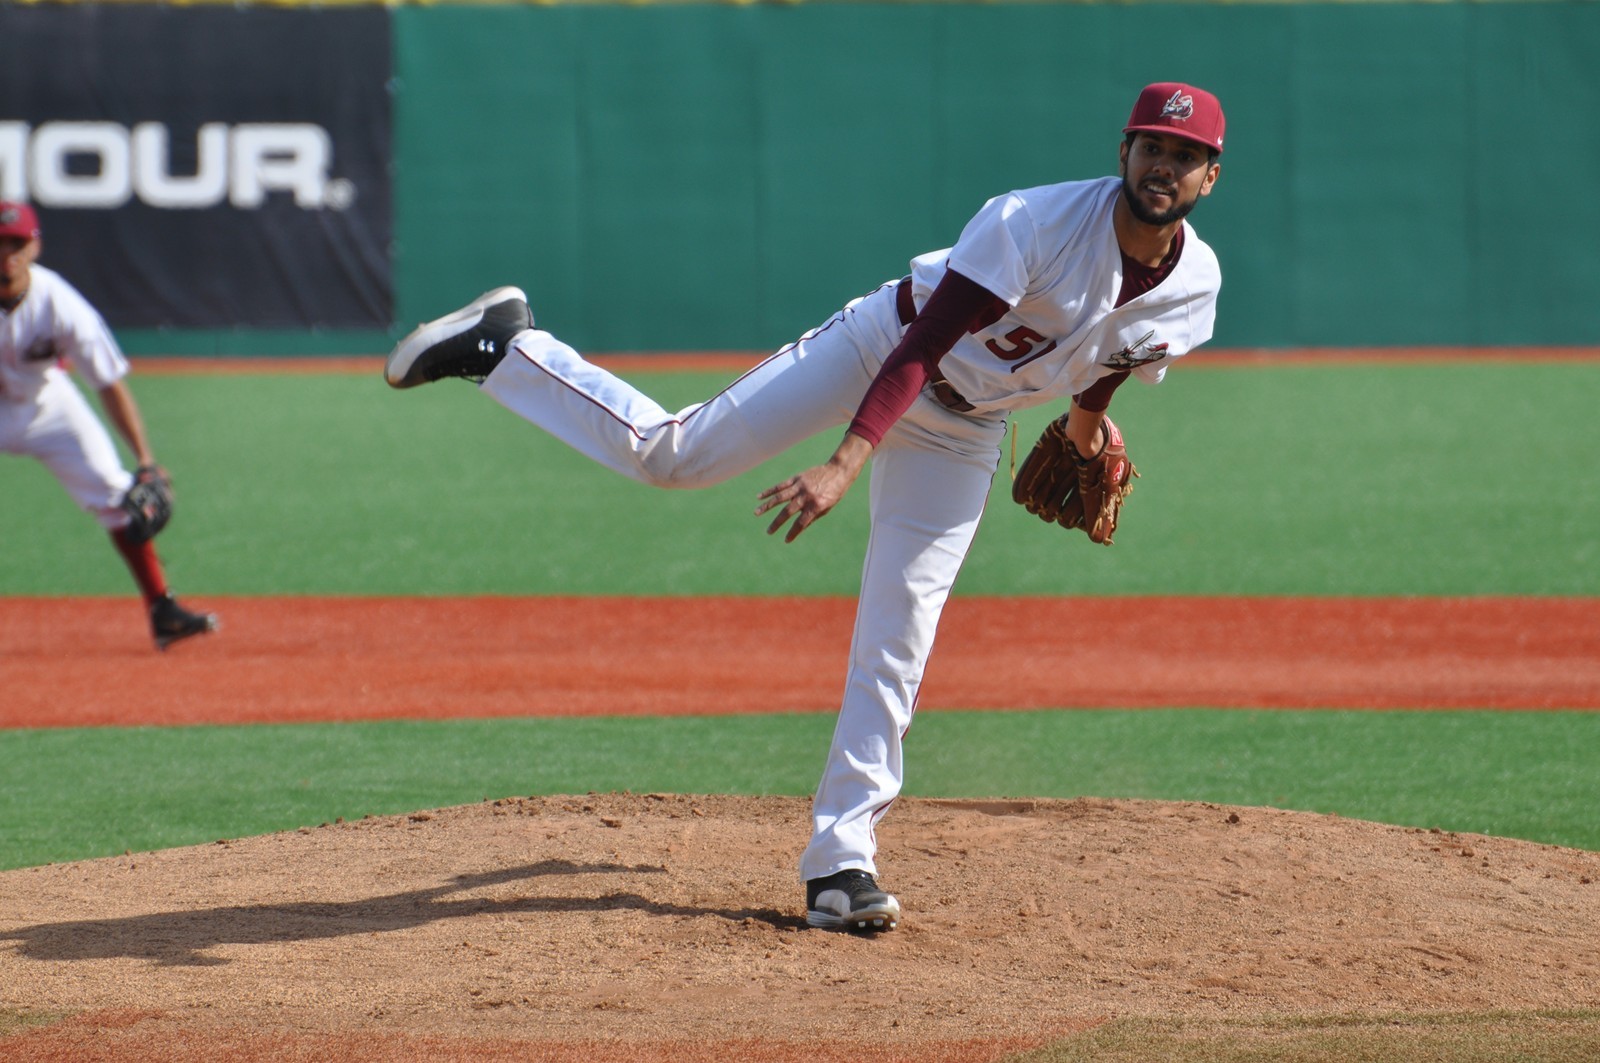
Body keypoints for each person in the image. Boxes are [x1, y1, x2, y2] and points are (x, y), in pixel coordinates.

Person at [383, 82, 1224, 932]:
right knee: (676, 456)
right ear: (1123, 153)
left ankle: (840, 860)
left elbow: (1108, 361)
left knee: (901, 634)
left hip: (968, 432)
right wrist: (843, 460)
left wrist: (1088, 434)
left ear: (1208, 178)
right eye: (1153, 146)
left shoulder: (1194, 285)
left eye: (1184, 156)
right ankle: (511, 347)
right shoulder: (1032, 224)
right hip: (876, 355)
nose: (1165, 165)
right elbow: (921, 343)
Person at [0, 202, 218, 650]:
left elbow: (108, 382)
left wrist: (146, 460)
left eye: (17, 244)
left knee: (120, 498)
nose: (7, 255)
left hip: (46, 405)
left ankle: (163, 610)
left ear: (35, 246)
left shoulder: (59, 302)